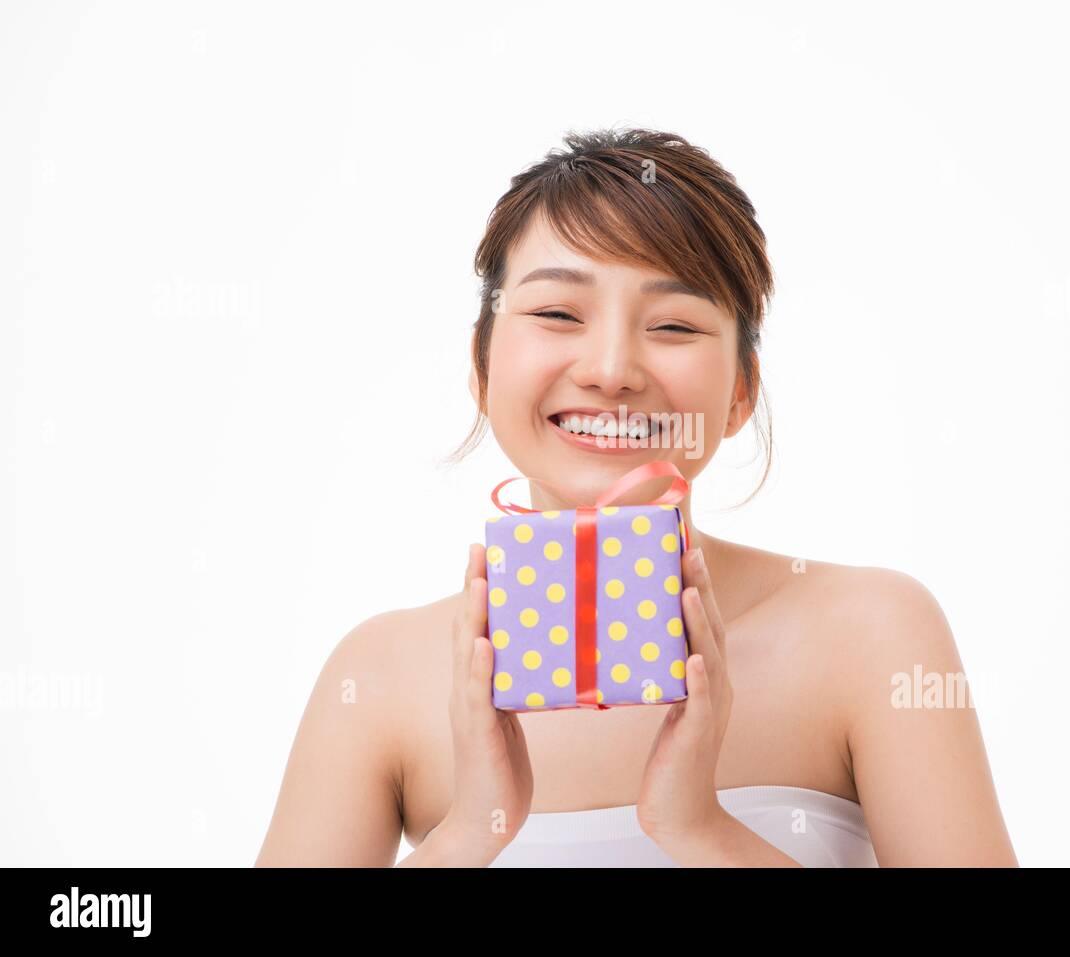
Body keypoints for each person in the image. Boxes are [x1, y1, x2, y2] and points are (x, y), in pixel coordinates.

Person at [255, 128, 1018, 867]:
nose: (611, 367)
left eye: (674, 324)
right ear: (482, 366)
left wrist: (699, 829)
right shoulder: (379, 677)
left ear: (740, 392)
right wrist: (466, 834)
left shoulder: (874, 634)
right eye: (557, 313)